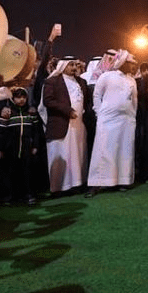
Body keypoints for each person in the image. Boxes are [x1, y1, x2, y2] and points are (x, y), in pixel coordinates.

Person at [86, 50, 139, 195]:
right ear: (123, 62)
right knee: (104, 150)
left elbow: (134, 101)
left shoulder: (131, 80)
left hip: (127, 120)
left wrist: (132, 117)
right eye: (131, 63)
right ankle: (97, 183)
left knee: (124, 151)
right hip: (108, 119)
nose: (133, 66)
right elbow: (96, 95)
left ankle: (121, 181)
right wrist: (99, 113)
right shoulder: (107, 76)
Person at [41, 57, 94, 193]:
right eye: (70, 65)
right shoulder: (52, 81)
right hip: (61, 123)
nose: (74, 67)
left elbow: (86, 102)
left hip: (78, 125)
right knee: (61, 154)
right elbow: (48, 101)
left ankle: (77, 184)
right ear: (62, 66)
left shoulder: (82, 82)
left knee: (78, 154)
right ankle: (60, 188)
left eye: (75, 64)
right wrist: (68, 111)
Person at [0, 87, 43, 204]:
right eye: (18, 97)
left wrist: (35, 146)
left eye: (23, 97)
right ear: (12, 99)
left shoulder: (30, 113)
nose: (21, 100)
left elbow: (36, 131)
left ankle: (28, 195)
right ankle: (12, 196)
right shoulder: (8, 113)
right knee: (12, 173)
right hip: (11, 149)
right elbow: (0, 133)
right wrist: (0, 149)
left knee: (27, 173)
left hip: (27, 149)